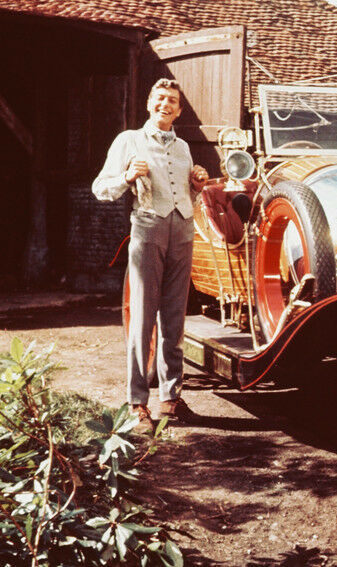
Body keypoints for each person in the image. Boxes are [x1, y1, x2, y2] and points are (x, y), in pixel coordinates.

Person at [93, 79, 209, 431]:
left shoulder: (185, 147)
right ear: (149, 103)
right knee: (143, 318)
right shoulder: (129, 140)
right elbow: (101, 188)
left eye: (172, 101)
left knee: (175, 318)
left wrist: (197, 183)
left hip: (183, 231)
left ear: (179, 109)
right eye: (160, 98)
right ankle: (137, 401)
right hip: (148, 230)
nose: (166, 104)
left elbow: (185, 191)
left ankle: (171, 398)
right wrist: (127, 175)